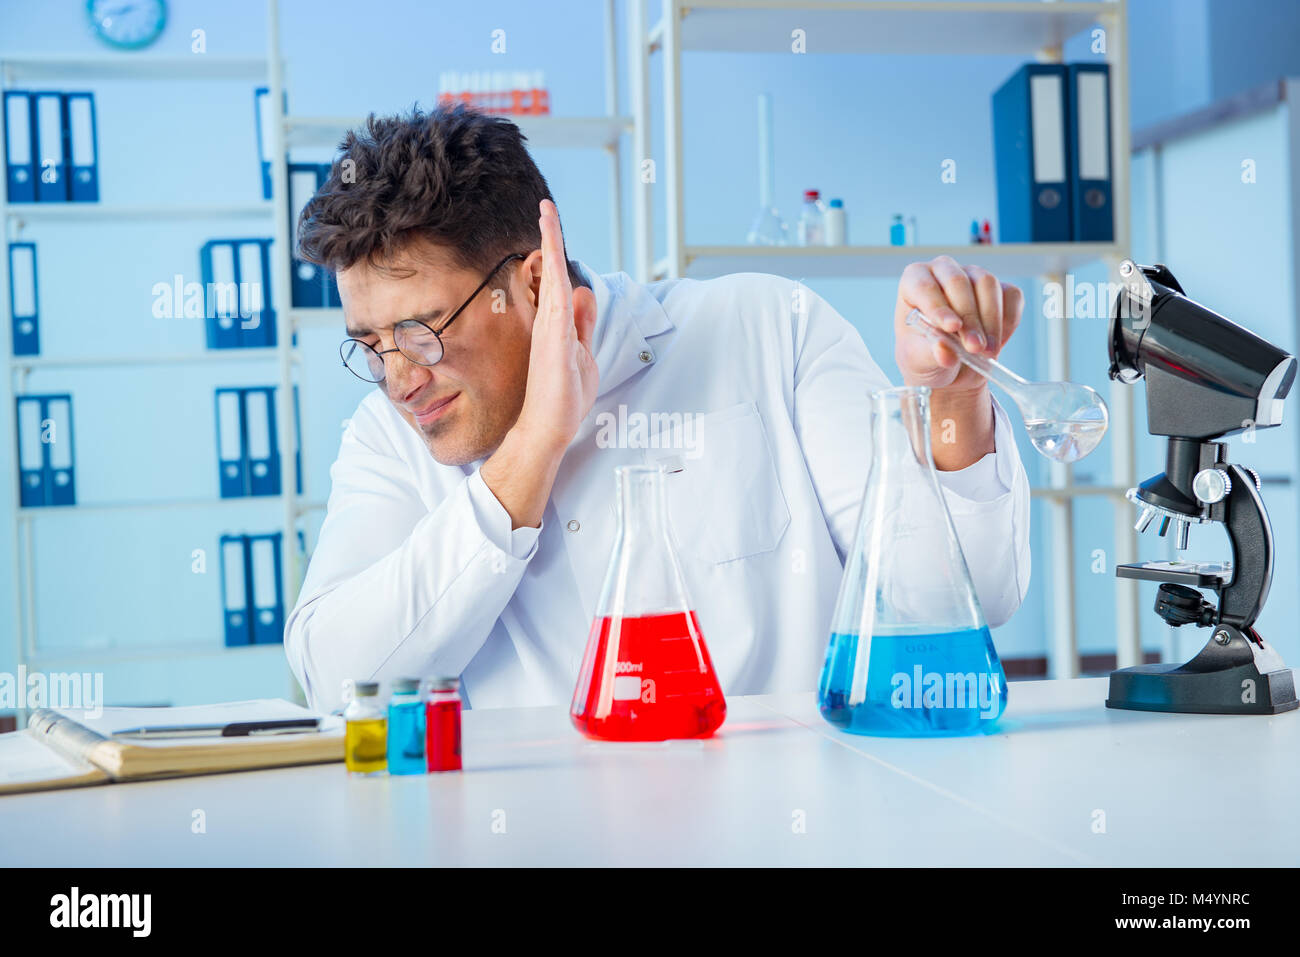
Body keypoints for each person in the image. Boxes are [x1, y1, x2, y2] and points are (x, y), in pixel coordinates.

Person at [285, 104, 1031, 713]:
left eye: (421, 332)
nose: (398, 377)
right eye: (371, 344)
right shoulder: (390, 439)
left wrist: (955, 401)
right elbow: (340, 684)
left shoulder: (767, 328)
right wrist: (530, 454)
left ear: (535, 284)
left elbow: (971, 595)